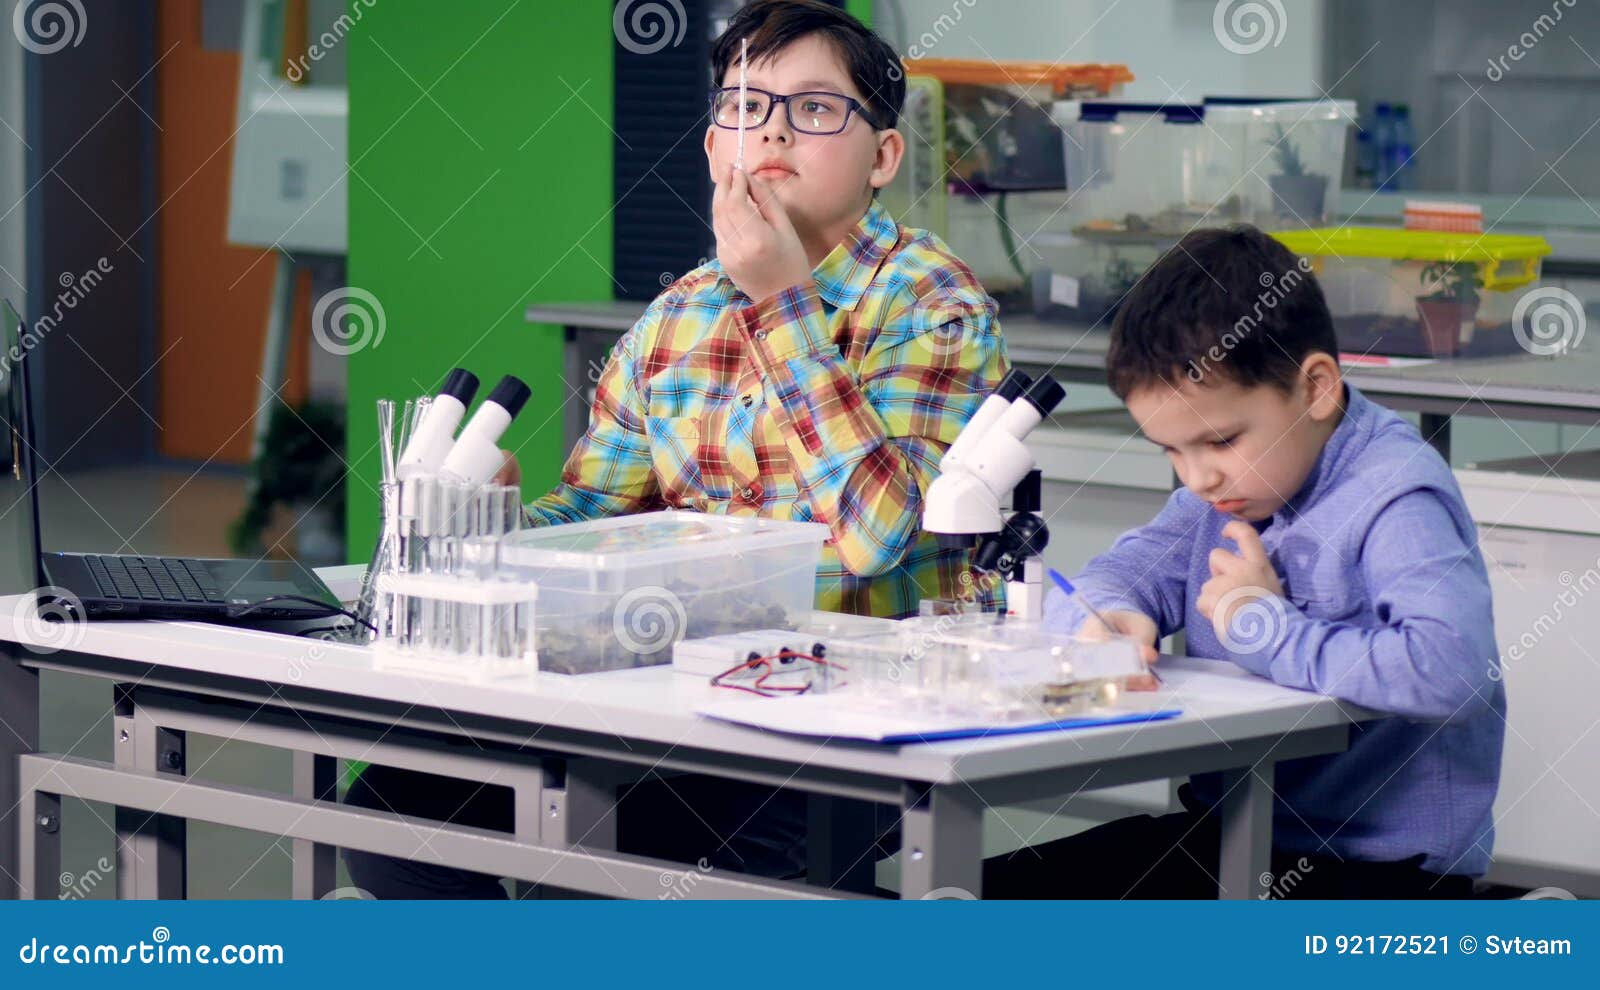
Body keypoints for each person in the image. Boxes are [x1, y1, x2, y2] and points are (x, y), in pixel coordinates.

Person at [344, 0, 1009, 897]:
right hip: (660, 694)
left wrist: (781, 303)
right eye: (743, 105)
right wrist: (497, 517)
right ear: (711, 146)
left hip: (837, 721)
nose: (771, 130)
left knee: (590, 878)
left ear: (883, 155)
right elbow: (592, 518)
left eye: (814, 109)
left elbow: (878, 537)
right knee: (393, 811)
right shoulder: (677, 314)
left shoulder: (933, 302)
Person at [985, 225, 1504, 899]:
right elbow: (1124, 572)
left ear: (1316, 386)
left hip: (1372, 871)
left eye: (1220, 440)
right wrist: (1110, 618)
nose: (1196, 476)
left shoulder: (1394, 492)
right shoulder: (1229, 487)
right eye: (1171, 451)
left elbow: (1451, 673)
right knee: (977, 898)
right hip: (1228, 834)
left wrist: (1264, 626)